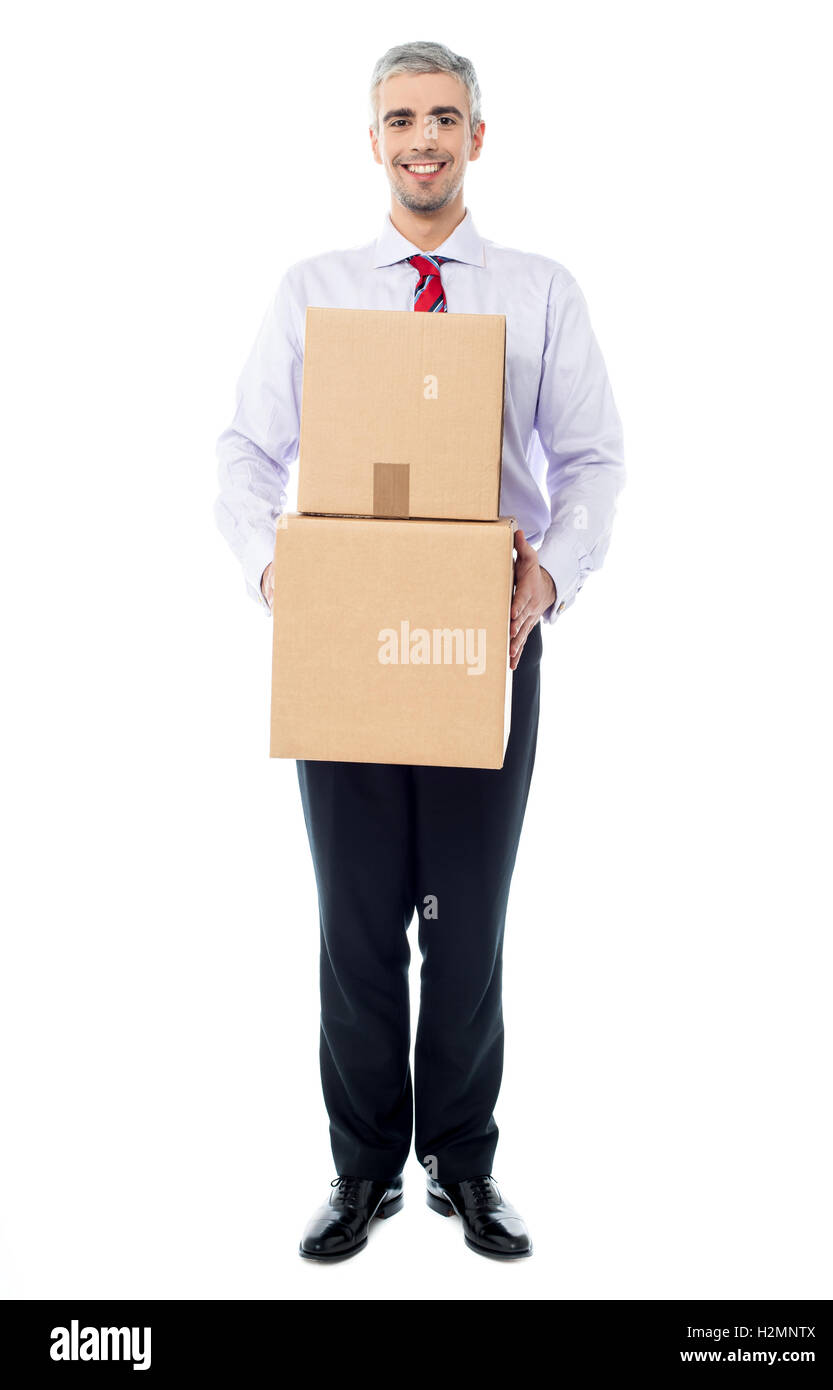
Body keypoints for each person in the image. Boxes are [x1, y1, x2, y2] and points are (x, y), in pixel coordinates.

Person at [214, 39, 625, 1262]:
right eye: (401, 120)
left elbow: (595, 460)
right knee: (355, 918)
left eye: (445, 117)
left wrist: (548, 575)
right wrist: (281, 574)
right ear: (375, 140)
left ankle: (463, 1160)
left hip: (480, 644)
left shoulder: (538, 290)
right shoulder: (315, 289)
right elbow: (242, 452)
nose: (423, 140)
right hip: (346, 642)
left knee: (465, 921)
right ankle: (361, 1170)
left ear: (477, 138)